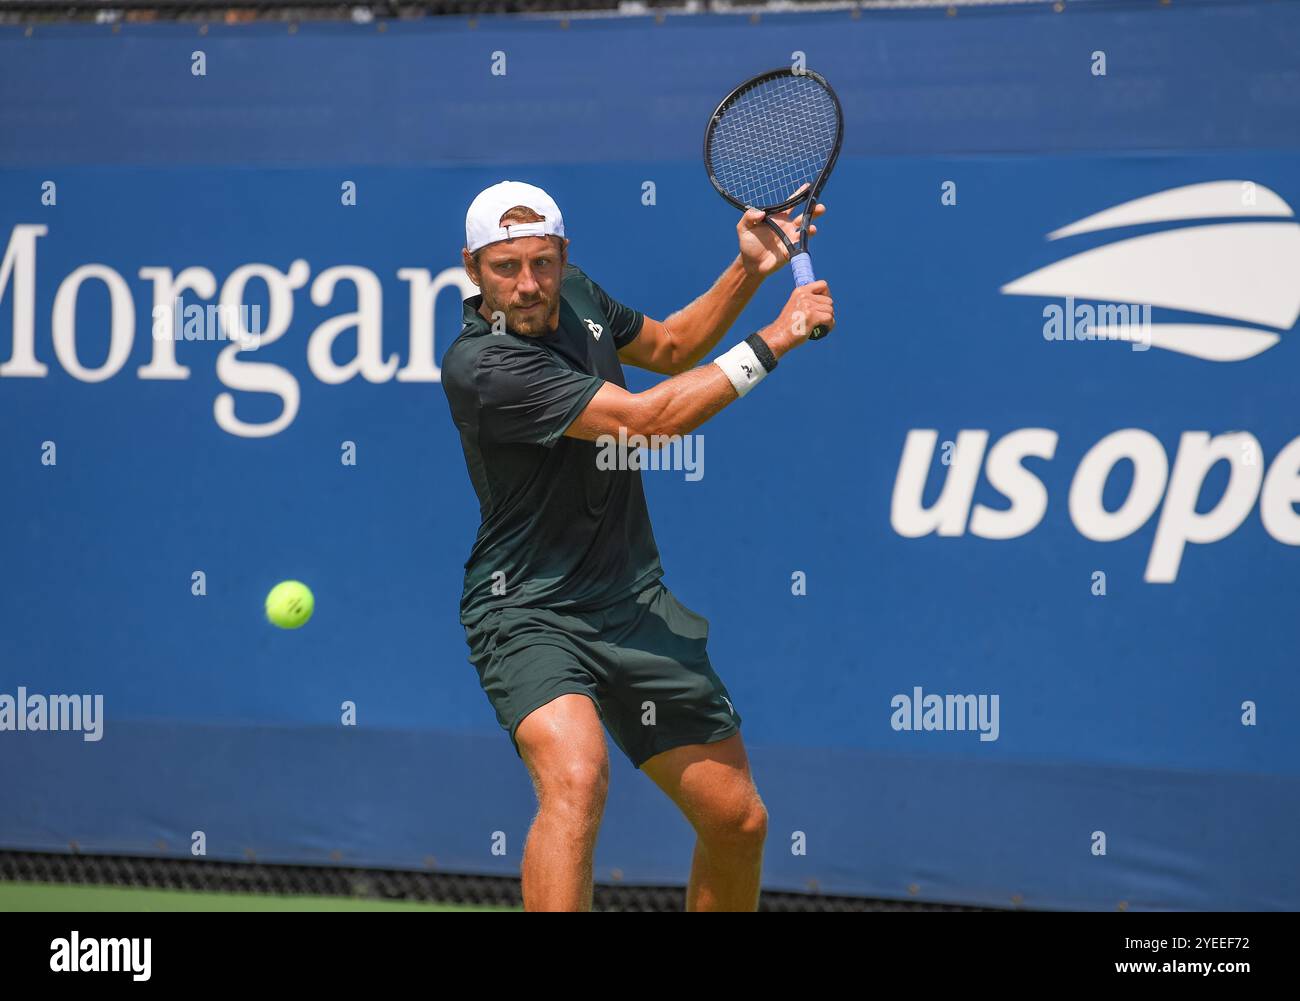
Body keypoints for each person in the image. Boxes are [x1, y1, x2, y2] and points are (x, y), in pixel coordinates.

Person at [442, 180, 834, 911]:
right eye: (505, 267)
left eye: (542, 262)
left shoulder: (580, 295)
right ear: (472, 268)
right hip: (528, 611)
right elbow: (649, 423)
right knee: (579, 775)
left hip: (631, 601)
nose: (527, 285)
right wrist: (776, 338)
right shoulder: (484, 367)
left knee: (737, 818)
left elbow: (673, 344)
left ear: (563, 255)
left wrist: (748, 267)